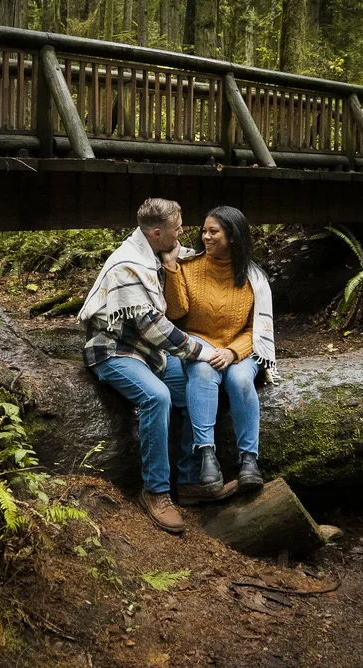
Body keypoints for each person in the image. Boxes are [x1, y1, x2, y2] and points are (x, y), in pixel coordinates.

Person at [78, 198, 238, 534]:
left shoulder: (153, 251)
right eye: (177, 228)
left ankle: (192, 481)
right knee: (158, 398)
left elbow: (194, 257)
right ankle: (155, 492)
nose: (182, 233)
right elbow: (153, 328)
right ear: (156, 232)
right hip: (115, 351)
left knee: (200, 386)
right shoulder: (127, 265)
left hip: (148, 352)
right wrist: (200, 351)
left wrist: (238, 261)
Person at [162, 206, 277, 494]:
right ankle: (206, 456)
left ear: (233, 237)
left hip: (239, 348)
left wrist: (233, 352)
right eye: (204, 231)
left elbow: (258, 330)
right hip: (200, 345)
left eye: (213, 231)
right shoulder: (189, 267)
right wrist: (172, 269)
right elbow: (176, 313)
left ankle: (249, 461)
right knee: (201, 371)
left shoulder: (254, 278)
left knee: (239, 379)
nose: (205, 237)